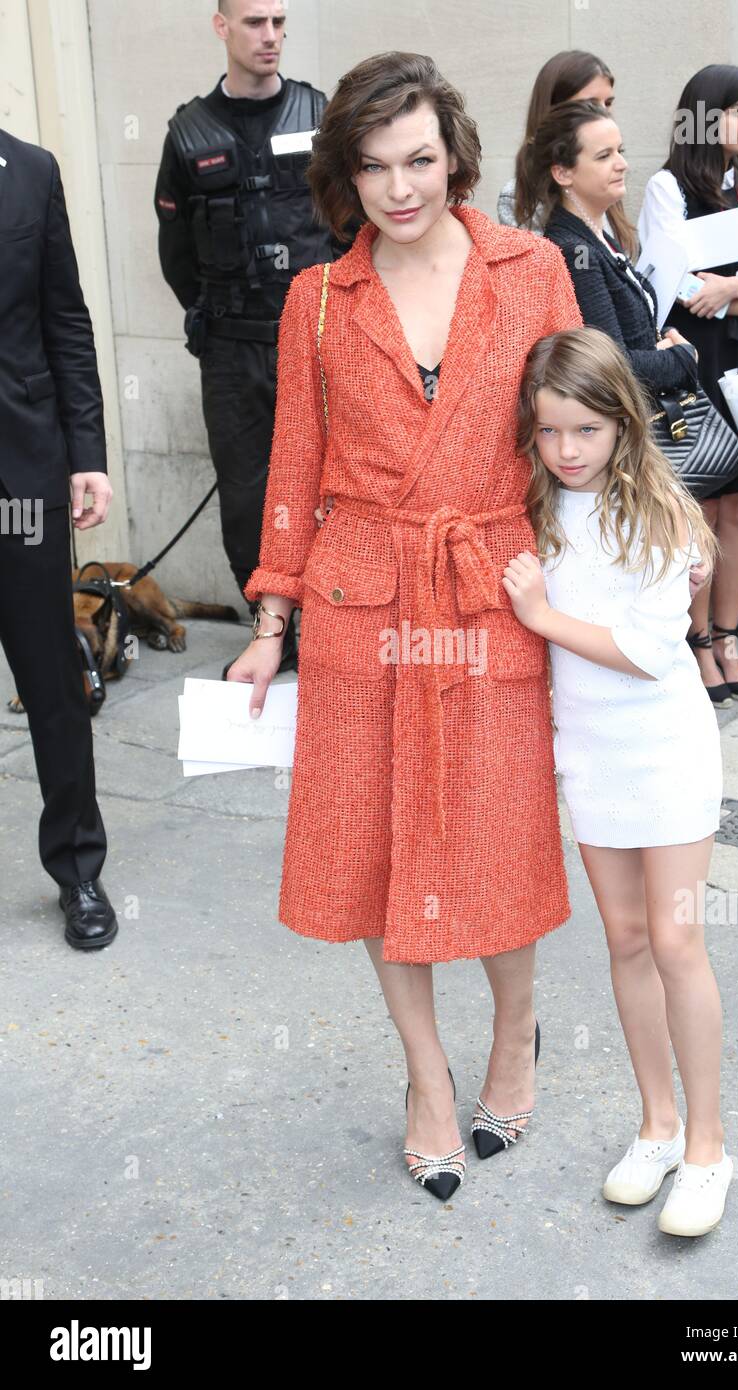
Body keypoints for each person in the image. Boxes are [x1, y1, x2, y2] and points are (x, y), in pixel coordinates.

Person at [225, 49, 587, 1203]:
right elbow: (291, 461)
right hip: (361, 598)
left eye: (420, 158)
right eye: (375, 166)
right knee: (380, 853)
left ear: (454, 153)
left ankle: (514, 1034)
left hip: (488, 588)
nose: (401, 187)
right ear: (346, 174)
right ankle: (425, 1075)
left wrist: (600, 579)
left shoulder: (528, 270)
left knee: (497, 833)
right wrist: (270, 617)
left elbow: (578, 432)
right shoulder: (319, 298)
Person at [504, 324, 732, 1237]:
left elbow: (644, 650)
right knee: (627, 941)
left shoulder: (662, 512)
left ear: (623, 425)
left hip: (666, 748)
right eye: (549, 431)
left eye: (586, 432)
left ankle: (710, 1149)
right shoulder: (536, 503)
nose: (565, 451)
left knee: (678, 946)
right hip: (589, 754)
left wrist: (537, 613)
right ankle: (658, 1128)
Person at [154, 0, 353, 674]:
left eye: (278, 21)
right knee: (247, 492)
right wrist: (217, 320)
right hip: (233, 350)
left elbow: (352, 226)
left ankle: (331, 616)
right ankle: (270, 629)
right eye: (254, 22)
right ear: (222, 27)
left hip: (318, 338)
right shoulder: (188, 133)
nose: (270, 36)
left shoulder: (319, 115)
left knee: (333, 484)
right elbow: (176, 254)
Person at [639, 65, 738, 707]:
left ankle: (730, 638)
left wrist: (736, 289)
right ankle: (696, 641)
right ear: (704, 116)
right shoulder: (666, 187)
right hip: (695, 360)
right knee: (700, 503)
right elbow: (681, 289)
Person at [0, 126, 118, 949]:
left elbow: (65, 322)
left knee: (52, 683)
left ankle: (78, 871)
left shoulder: (32, 172)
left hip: (22, 472)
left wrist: (86, 456)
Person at [519, 99, 700, 400]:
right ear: (563, 173)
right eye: (604, 156)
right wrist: (683, 357)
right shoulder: (575, 252)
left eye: (620, 151)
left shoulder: (596, 235)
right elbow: (610, 366)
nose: (622, 164)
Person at [498, 49, 635, 254]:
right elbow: (539, 278)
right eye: (590, 103)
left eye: (608, 103)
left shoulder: (604, 177)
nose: (603, 113)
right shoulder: (518, 196)